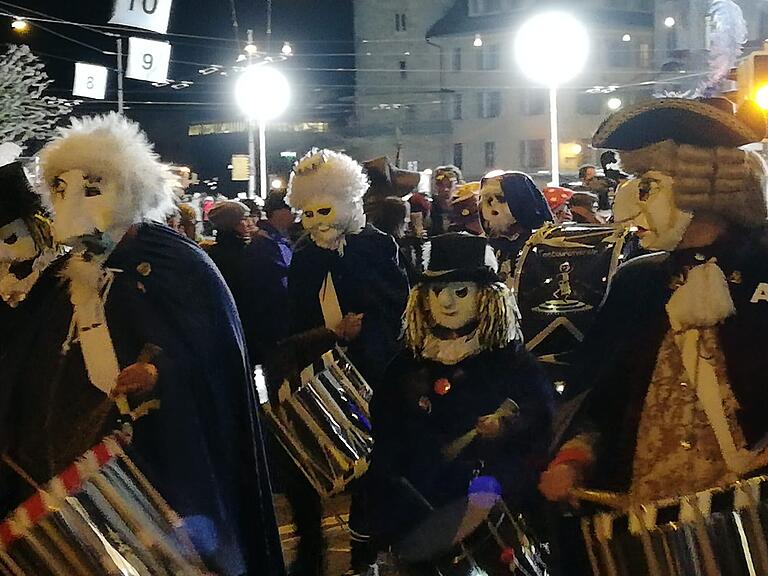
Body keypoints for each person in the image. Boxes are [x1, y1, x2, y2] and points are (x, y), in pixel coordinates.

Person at [0, 113, 284, 575]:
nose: (75, 203)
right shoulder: (57, 280)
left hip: (166, 457)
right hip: (86, 473)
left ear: (128, 187)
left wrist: (160, 372)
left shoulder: (177, 263)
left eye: (92, 188)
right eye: (62, 189)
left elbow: (213, 354)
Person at [540, 97, 768, 574]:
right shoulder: (637, 284)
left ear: (699, 184)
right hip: (650, 521)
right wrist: (574, 456)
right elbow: (599, 397)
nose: (625, 208)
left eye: (646, 185)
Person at [366, 233, 553, 565]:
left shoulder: (507, 357)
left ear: (486, 297)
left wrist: (507, 424)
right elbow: (385, 421)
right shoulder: (409, 360)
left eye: (460, 291)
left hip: (491, 484)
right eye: (437, 292)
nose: (446, 303)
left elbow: (541, 412)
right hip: (421, 489)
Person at [286, 148, 409, 384]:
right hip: (319, 369)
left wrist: (364, 330)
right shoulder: (305, 253)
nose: (318, 221)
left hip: (374, 367)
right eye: (308, 213)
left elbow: (395, 306)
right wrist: (327, 335)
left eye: (324, 211)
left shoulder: (377, 245)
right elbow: (297, 315)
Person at [479, 170, 553, 287]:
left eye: (501, 199)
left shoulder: (546, 244)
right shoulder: (483, 247)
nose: (492, 208)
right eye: (487, 200)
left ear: (521, 202)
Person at [428, 165, 462, 236]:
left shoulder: (466, 207)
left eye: (449, 185)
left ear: (458, 185)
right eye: (440, 184)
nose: (445, 189)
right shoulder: (428, 207)